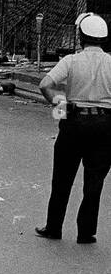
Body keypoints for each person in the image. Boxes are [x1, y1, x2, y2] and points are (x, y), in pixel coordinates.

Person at [35, 13, 111, 244]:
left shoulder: (71, 60)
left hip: (74, 122)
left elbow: (45, 85)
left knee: (62, 178)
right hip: (105, 125)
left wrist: (61, 108)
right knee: (95, 181)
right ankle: (86, 232)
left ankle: (54, 227)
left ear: (81, 37)